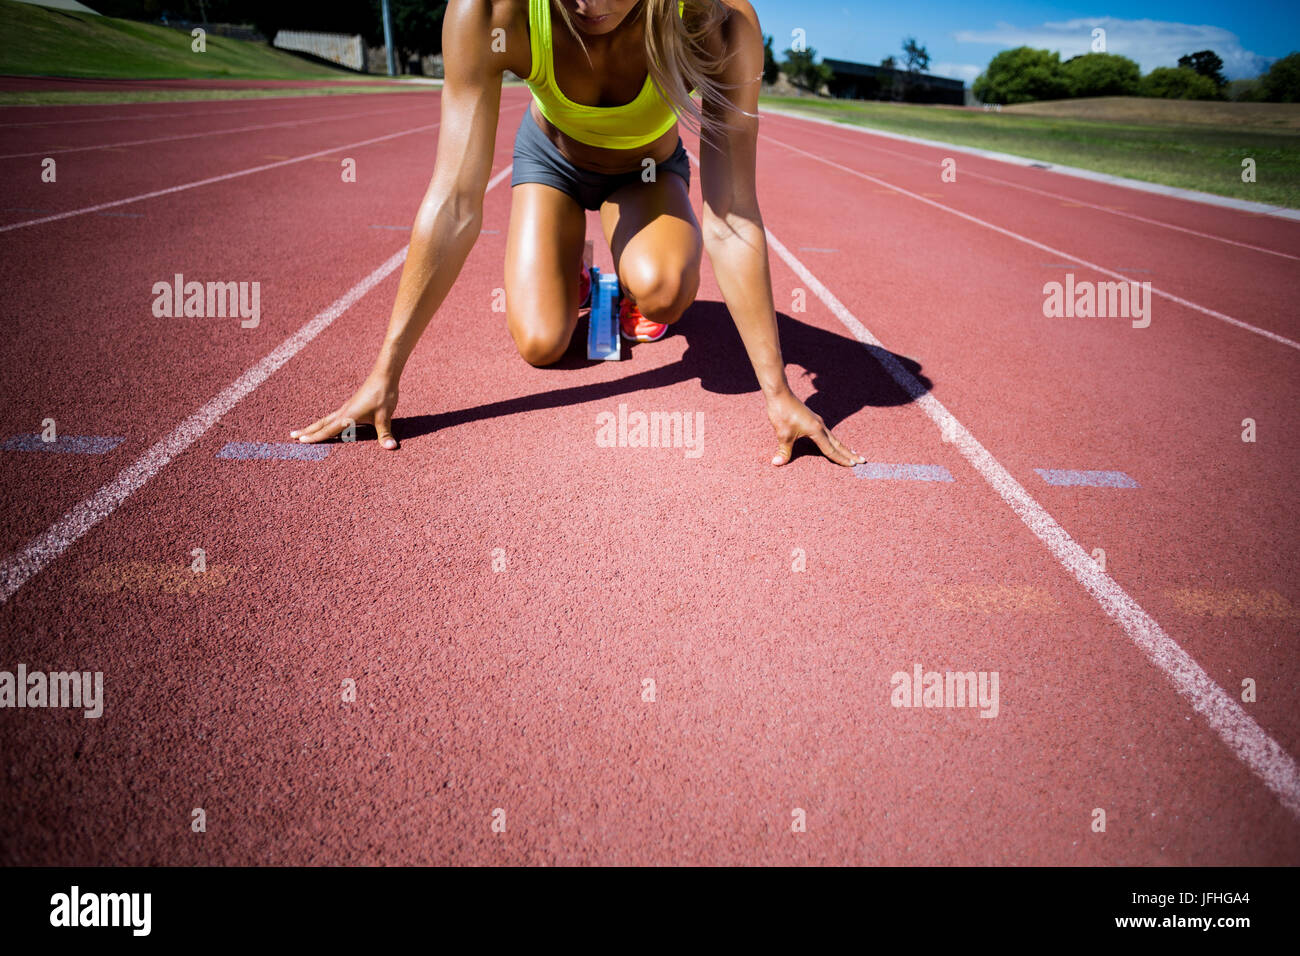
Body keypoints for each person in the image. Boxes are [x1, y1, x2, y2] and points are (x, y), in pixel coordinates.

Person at [291, 0, 865, 467]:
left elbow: (733, 212)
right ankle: (583, 277)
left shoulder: (716, 24)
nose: (589, 5)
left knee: (664, 290)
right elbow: (455, 203)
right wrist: (384, 374)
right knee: (542, 344)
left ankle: (628, 279)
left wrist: (779, 393)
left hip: (646, 175)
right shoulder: (490, 13)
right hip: (551, 167)